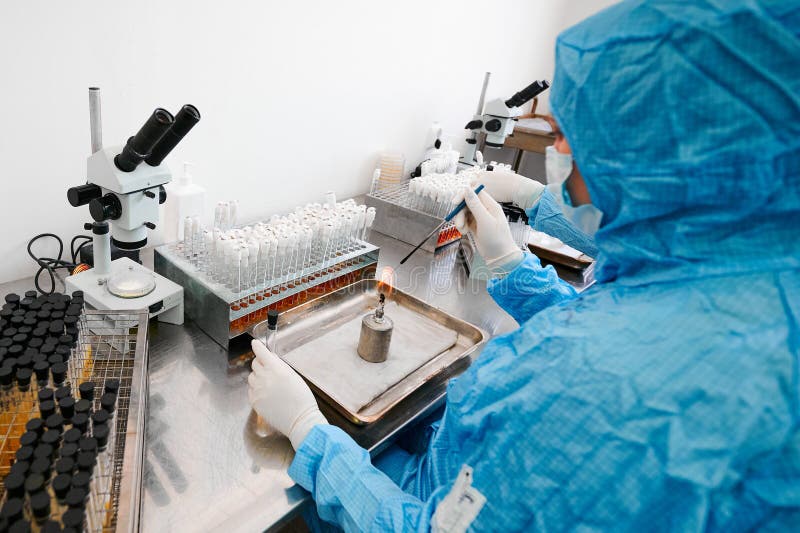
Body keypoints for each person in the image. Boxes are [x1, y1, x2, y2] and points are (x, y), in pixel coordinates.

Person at [249, 1, 800, 530]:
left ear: (641, 160)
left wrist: (310, 435)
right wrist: (509, 264)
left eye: (564, 137)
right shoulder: (750, 280)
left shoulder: (600, 391)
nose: (558, 156)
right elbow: (606, 325)